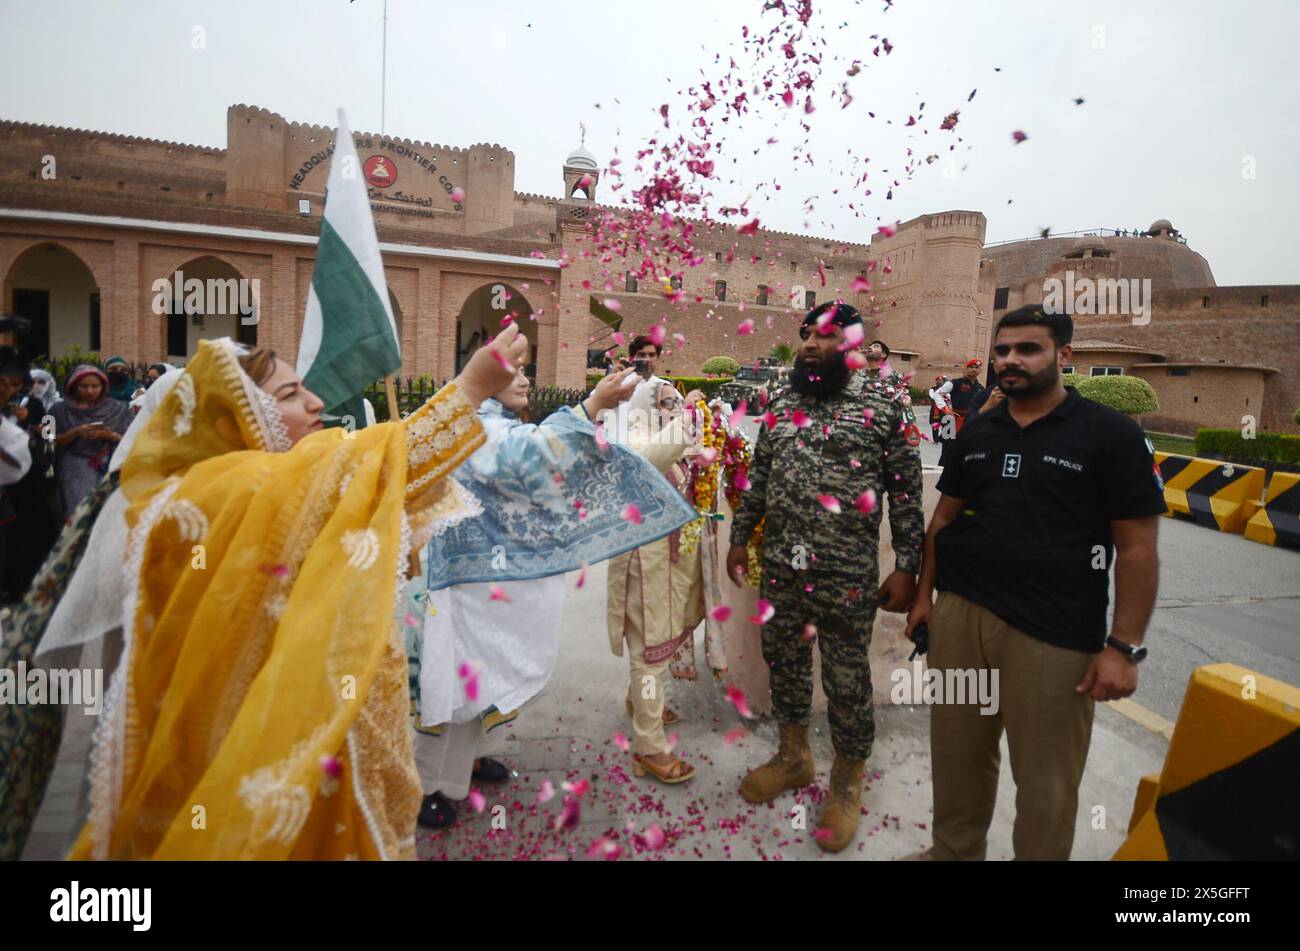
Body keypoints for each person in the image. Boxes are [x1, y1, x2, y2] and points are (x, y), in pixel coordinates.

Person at [54, 324, 525, 860]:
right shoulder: (222, 491)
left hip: (310, 741)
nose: (316, 401)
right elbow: (371, 467)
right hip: (267, 760)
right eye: (289, 395)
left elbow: (355, 498)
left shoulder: (257, 488)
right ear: (234, 420)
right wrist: (469, 388)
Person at [904, 306, 1165, 860]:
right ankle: (953, 853)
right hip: (961, 620)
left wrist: (1123, 648)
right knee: (957, 757)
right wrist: (926, 598)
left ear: (1064, 357)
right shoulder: (980, 431)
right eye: (1002, 351)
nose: (1010, 361)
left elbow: (1138, 547)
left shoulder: (1108, 435)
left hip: (1054, 634)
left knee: (1046, 783)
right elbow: (943, 520)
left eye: (1028, 349)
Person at [410, 366, 694, 827]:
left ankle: (467, 764)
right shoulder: (473, 423)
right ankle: (426, 787)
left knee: (481, 678)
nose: (525, 381)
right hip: (462, 582)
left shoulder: (494, 419)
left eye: (524, 372)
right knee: (452, 684)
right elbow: (533, 453)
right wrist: (591, 405)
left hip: (490, 579)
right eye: (513, 373)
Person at [727, 301, 925, 852]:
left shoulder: (886, 404)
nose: (812, 344)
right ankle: (793, 758)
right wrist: (741, 535)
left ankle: (846, 782)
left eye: (827, 335)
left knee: (845, 680)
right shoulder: (782, 400)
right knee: (784, 662)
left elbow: (907, 492)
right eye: (807, 334)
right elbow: (760, 473)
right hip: (783, 571)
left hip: (847, 574)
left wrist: (908, 565)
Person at [605, 379, 696, 784]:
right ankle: (650, 748)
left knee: (653, 640)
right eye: (664, 400)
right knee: (650, 651)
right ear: (643, 404)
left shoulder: (655, 432)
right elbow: (649, 457)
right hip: (643, 562)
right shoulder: (633, 435)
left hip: (660, 559)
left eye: (673, 399)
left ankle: (638, 702)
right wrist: (690, 416)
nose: (671, 405)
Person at [49, 366, 133, 519]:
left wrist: (108, 435)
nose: (90, 391)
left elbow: (132, 439)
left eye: (95, 386)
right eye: (84, 386)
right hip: (73, 469)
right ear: (74, 386)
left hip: (108, 467)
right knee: (77, 513)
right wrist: (75, 432)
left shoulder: (118, 409)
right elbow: (46, 440)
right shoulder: (57, 409)